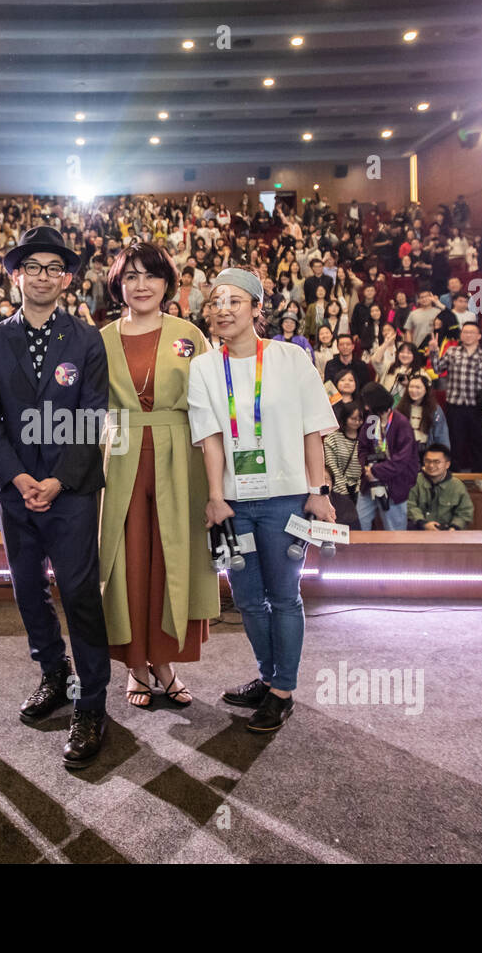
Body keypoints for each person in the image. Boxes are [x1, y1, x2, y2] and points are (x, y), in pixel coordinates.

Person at [0, 226, 112, 768]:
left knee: (79, 593)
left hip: (71, 490)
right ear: (17, 275)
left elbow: (94, 415)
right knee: (29, 590)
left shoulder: (86, 339)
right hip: (14, 490)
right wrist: (14, 476)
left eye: (55, 268)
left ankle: (92, 704)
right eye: (33, 267)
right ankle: (54, 673)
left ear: (67, 278)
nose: (43, 277)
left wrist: (57, 478)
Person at [187, 268, 338, 732]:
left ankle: (282, 691)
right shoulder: (203, 367)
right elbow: (212, 439)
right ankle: (270, 678)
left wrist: (318, 492)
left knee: (284, 597)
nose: (223, 309)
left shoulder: (292, 358)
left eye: (235, 300)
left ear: (257, 307)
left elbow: (313, 430)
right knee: (248, 600)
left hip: (285, 500)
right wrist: (215, 498)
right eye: (216, 302)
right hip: (233, 505)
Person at [98, 242, 216, 711]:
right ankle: (135, 666)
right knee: (128, 562)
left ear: (168, 283)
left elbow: (209, 408)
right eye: (131, 276)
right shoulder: (102, 338)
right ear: (118, 285)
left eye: (150, 275)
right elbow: (89, 410)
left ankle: (166, 664)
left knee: (173, 558)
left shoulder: (189, 334)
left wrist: (217, 481)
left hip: (181, 456)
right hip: (121, 453)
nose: (141, 285)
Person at [430, 322, 482, 492]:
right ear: (461, 335)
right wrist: (433, 350)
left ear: (479, 336)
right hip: (455, 406)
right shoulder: (452, 352)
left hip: (477, 407)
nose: (468, 335)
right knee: (455, 443)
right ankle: (453, 478)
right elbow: (438, 369)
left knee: (478, 444)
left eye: (471, 332)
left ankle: (479, 477)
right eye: (465, 332)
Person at [356, 381, 419, 530]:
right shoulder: (372, 420)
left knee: (395, 529)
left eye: (368, 403)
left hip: (394, 482)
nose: (365, 407)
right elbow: (363, 447)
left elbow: (402, 459)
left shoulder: (401, 423)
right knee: (360, 521)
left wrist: (377, 471)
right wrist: (367, 467)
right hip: (370, 480)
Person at [407, 443, 474, 530]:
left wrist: (454, 527)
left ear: (447, 464)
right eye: (427, 461)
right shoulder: (414, 481)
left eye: (436, 462)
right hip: (418, 530)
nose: (431, 465)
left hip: (448, 532)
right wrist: (423, 524)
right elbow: (409, 505)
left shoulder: (457, 485)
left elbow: (465, 512)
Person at [323, 399, 363, 530]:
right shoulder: (332, 439)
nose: (357, 422)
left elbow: (366, 465)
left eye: (360, 419)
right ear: (345, 418)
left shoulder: (366, 440)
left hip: (360, 488)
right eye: (353, 418)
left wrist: (359, 488)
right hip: (339, 489)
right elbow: (331, 467)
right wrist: (343, 492)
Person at [397, 374, 449, 451]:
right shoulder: (400, 408)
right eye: (411, 387)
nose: (414, 390)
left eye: (418, 387)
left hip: (425, 451)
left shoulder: (435, 410)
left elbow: (441, 436)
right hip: (404, 449)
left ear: (426, 390)